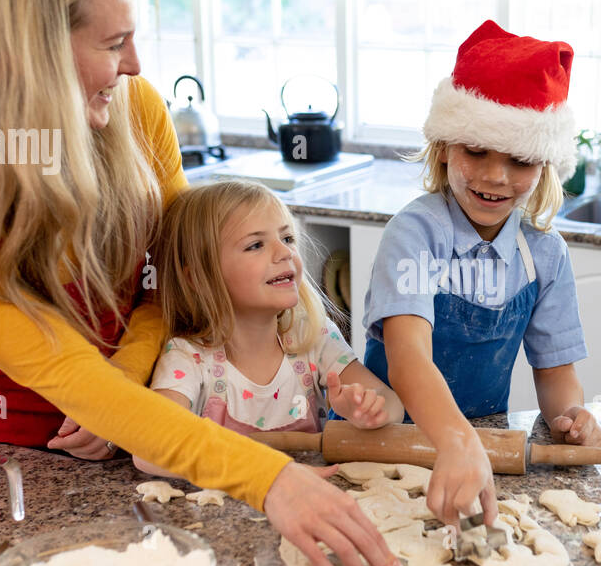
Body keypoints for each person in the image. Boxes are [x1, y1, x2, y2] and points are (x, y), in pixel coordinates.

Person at [0, 0, 401, 566]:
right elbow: (63, 374)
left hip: (164, 441)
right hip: (13, 466)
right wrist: (271, 480)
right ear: (34, 54)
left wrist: (126, 377)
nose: (136, 64)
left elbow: (178, 276)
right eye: (113, 44)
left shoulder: (133, 110)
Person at [361, 19, 601, 528]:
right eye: (476, 151)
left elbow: (556, 374)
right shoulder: (415, 234)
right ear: (444, 146)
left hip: (477, 449)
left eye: (519, 160)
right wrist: (455, 439)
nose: (495, 176)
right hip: (381, 447)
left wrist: (570, 419)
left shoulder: (544, 255)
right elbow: (407, 363)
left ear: (545, 166)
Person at [133, 180, 403, 478]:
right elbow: (150, 451)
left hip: (309, 504)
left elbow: (391, 403)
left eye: (287, 238)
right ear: (199, 277)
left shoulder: (312, 337)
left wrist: (369, 410)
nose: (284, 252)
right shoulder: (189, 359)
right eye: (256, 245)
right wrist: (268, 475)